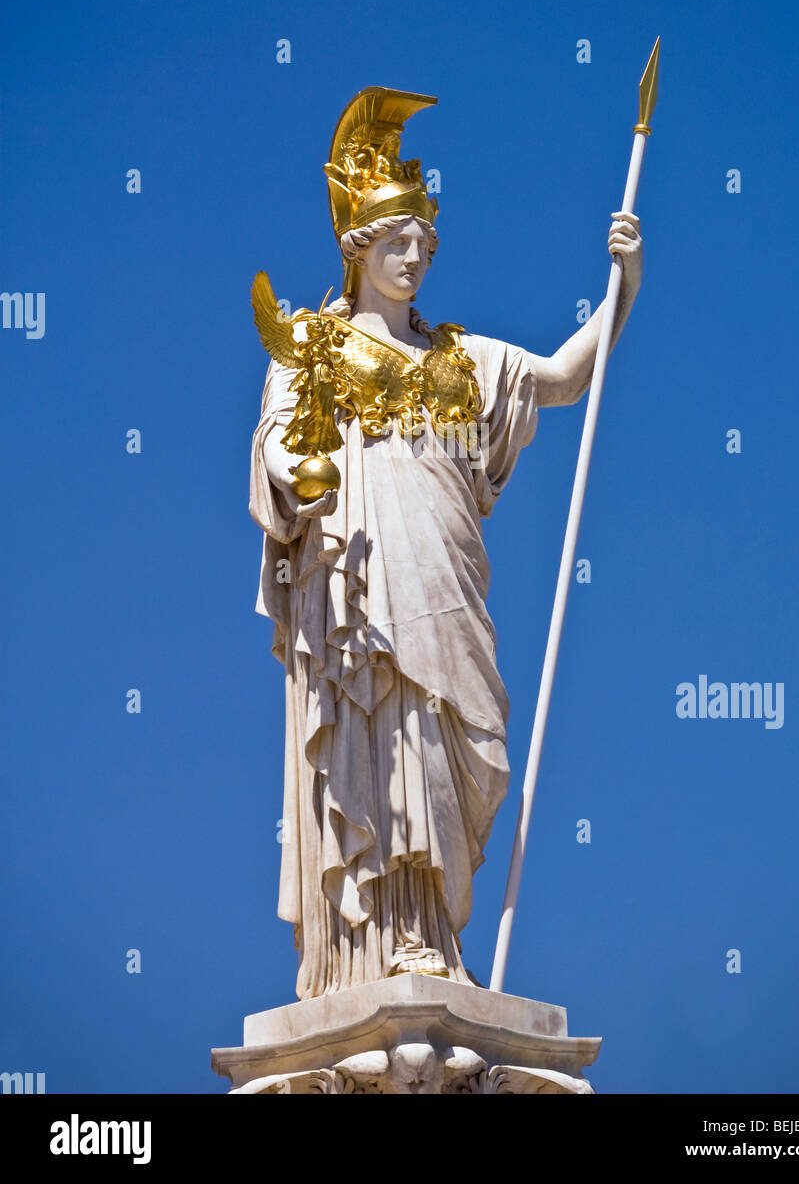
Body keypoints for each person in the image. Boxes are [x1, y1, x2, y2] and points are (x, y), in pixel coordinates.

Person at [249, 88, 642, 1000]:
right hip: (361, 592)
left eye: (424, 243)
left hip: (445, 586)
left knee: (453, 738)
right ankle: (378, 944)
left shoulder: (464, 362)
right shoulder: (311, 348)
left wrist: (623, 283)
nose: (415, 257)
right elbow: (276, 440)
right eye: (398, 242)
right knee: (383, 737)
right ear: (358, 248)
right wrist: (296, 475)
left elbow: (565, 376)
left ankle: (432, 935)